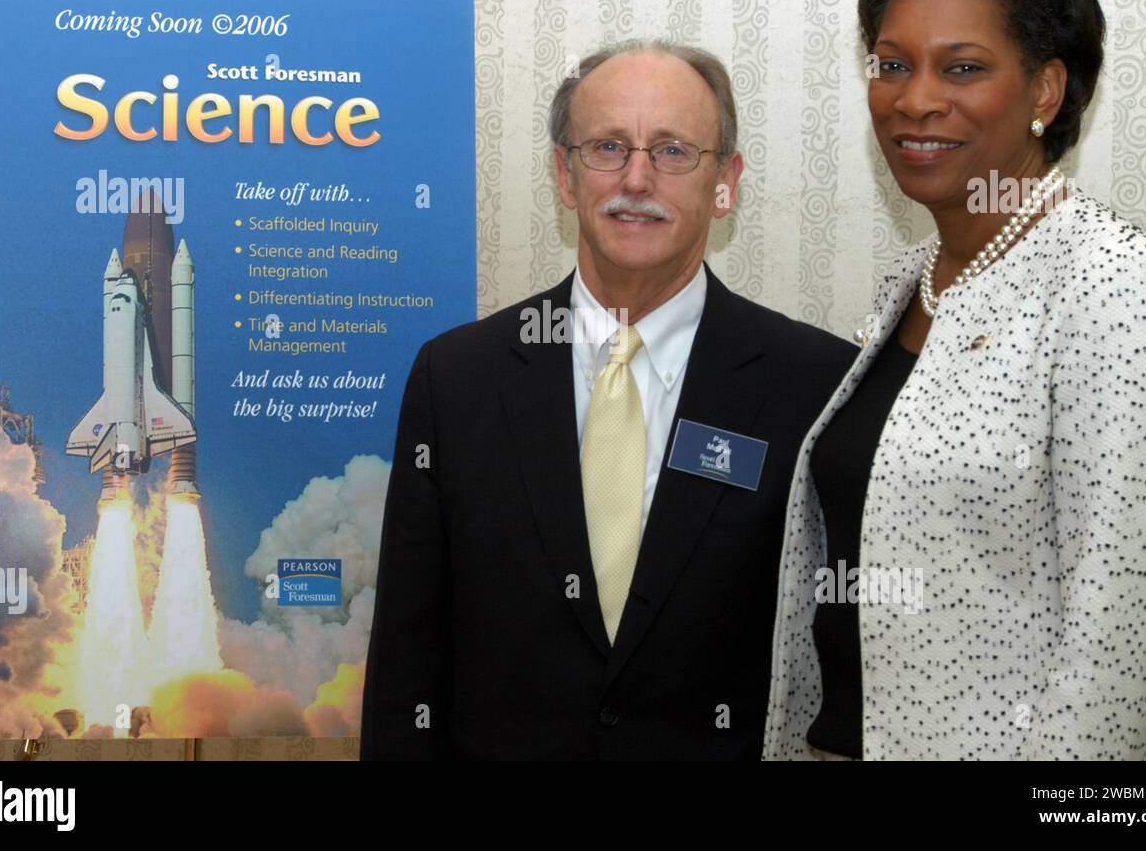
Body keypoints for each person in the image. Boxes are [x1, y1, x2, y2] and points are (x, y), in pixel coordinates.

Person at [764, 0, 1146, 761]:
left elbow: (1114, 660)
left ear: (1045, 90)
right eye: (892, 65)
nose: (916, 99)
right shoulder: (916, 283)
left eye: (963, 67)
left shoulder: (1119, 289)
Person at [362, 40, 855, 759]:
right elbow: (408, 656)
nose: (637, 179)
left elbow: (837, 657)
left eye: (674, 151)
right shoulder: (457, 379)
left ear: (726, 181)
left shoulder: (813, 383)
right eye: (607, 147)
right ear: (565, 174)